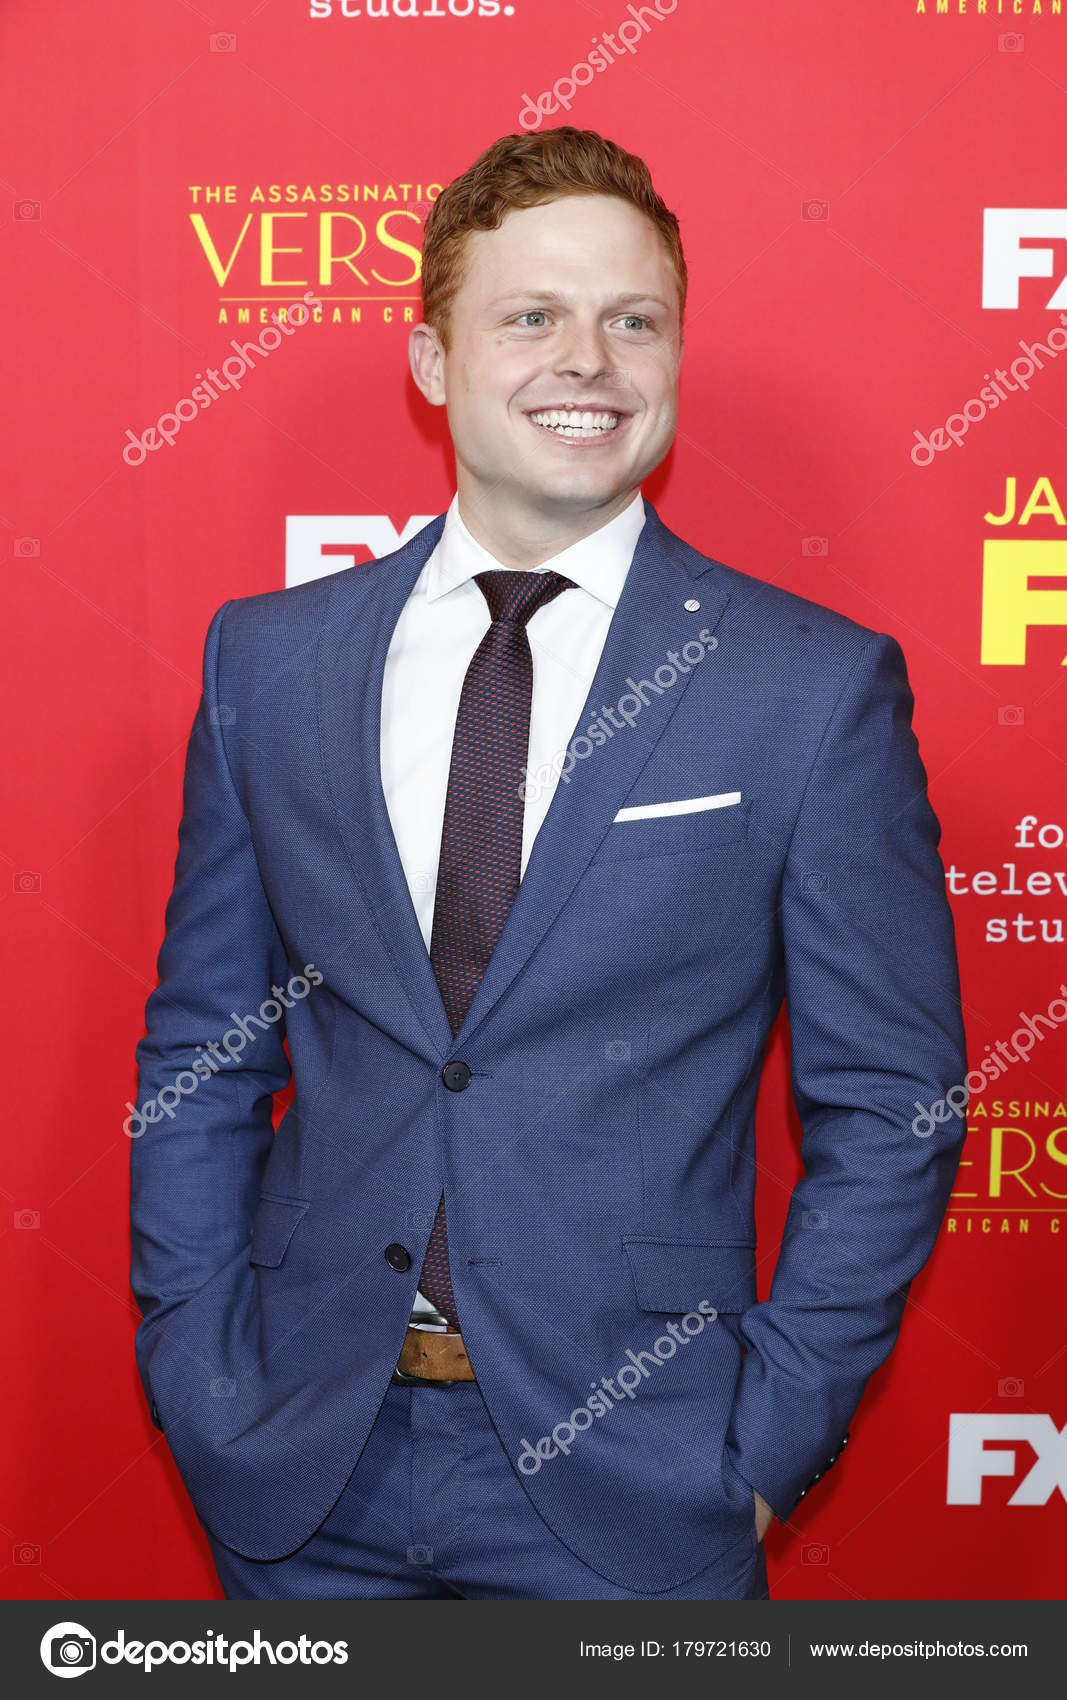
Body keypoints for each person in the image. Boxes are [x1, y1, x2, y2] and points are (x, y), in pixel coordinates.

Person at [128, 126, 968, 1600]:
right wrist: (203, 1378)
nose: (589, 359)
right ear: (432, 360)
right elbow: (205, 1053)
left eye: (634, 320)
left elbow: (894, 1101)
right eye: (532, 316)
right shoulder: (270, 663)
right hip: (301, 1473)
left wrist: (763, 1446)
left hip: (641, 1491)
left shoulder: (808, 688)